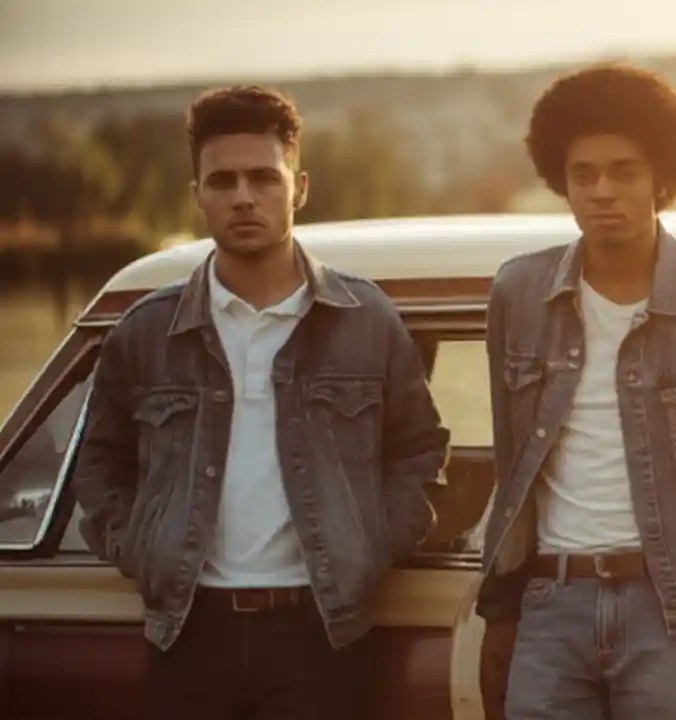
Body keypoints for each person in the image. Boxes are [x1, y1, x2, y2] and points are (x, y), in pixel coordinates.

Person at [73, 85, 450, 720]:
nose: (243, 197)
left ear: (298, 188)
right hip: (189, 633)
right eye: (222, 181)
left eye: (263, 178)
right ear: (197, 195)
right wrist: (139, 546)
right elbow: (99, 462)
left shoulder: (366, 320)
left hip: (322, 633)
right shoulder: (145, 331)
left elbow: (419, 453)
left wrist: (370, 544)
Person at [477, 64, 676, 720]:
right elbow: (513, 471)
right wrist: (501, 612)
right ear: (560, 181)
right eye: (583, 174)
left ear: (661, 179)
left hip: (675, 613)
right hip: (550, 605)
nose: (602, 191)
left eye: (624, 171)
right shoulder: (519, 294)